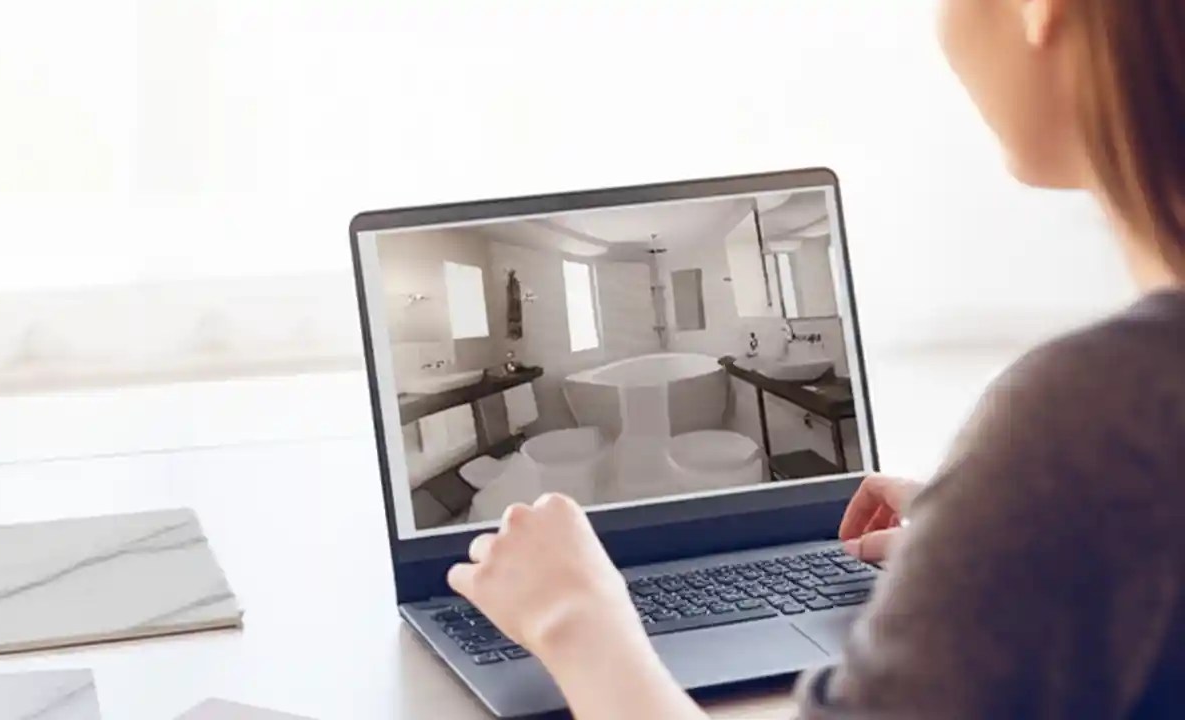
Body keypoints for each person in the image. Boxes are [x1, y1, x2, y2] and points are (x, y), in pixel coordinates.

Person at [447, 0, 1185, 717]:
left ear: (1038, 8)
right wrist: (998, 538)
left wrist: (577, 622)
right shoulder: (1109, 439)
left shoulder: (1088, 419)